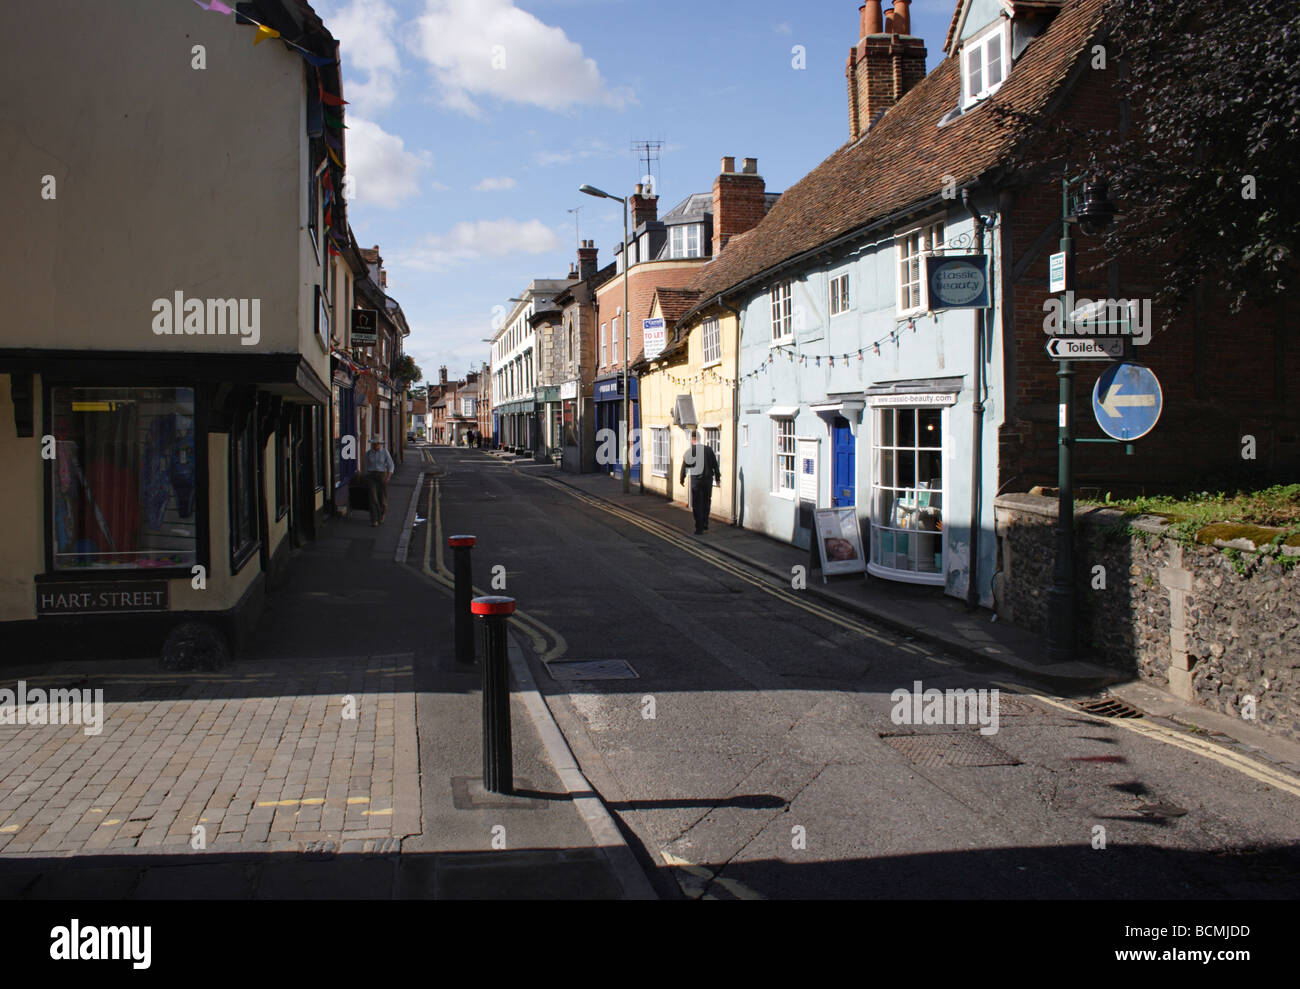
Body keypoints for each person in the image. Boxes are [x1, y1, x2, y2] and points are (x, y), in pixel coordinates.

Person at [679, 430, 721, 535]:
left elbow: (684, 467)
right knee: (706, 502)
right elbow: (715, 465)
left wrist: (682, 478)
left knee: (697, 504)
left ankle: (699, 527)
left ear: (692, 439)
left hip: (696, 481)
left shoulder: (690, 451)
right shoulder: (708, 450)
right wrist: (717, 478)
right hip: (707, 480)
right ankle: (705, 522)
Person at [363, 436, 394, 527]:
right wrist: (366, 475)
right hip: (371, 476)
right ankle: (374, 519)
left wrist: (388, 477)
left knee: (382, 498)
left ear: (380, 444)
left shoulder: (385, 452)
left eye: (376, 444)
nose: (375, 445)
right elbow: (366, 465)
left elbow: (391, 465)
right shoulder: (368, 453)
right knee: (373, 498)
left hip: (381, 476)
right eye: (373, 444)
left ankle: (382, 514)